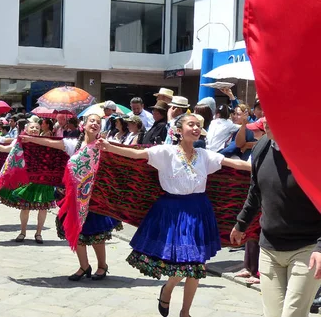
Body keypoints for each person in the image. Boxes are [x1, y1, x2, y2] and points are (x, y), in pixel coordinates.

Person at [97, 113, 251, 317]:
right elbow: (135, 155)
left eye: (198, 125)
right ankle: (168, 289)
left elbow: (237, 164)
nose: (195, 128)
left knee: (197, 264)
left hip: (199, 212)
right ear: (179, 130)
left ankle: (185, 312)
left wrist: (265, 166)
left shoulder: (205, 155)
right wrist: (109, 147)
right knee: (183, 264)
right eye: (191, 124)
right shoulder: (165, 152)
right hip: (173, 212)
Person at [230, 119, 321, 317]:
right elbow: (255, 190)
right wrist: (241, 223)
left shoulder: (313, 151)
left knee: (293, 314)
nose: (269, 121)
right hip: (269, 248)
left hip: (308, 248)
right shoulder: (262, 145)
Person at [21, 114, 120, 281]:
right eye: (92, 121)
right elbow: (52, 143)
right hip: (73, 196)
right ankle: (84, 266)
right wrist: (30, 139)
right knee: (76, 231)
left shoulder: (105, 146)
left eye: (98, 122)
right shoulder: (74, 144)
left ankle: (102, 266)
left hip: (94, 196)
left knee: (96, 233)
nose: (95, 124)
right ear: (83, 125)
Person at [0, 121, 55, 244]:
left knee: (43, 207)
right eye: (31, 127)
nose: (34, 130)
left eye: (36, 128)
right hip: (26, 178)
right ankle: (23, 232)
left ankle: (38, 233)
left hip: (42, 178)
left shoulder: (45, 141)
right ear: (26, 129)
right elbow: (6, 149)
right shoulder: (20, 141)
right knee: (25, 207)